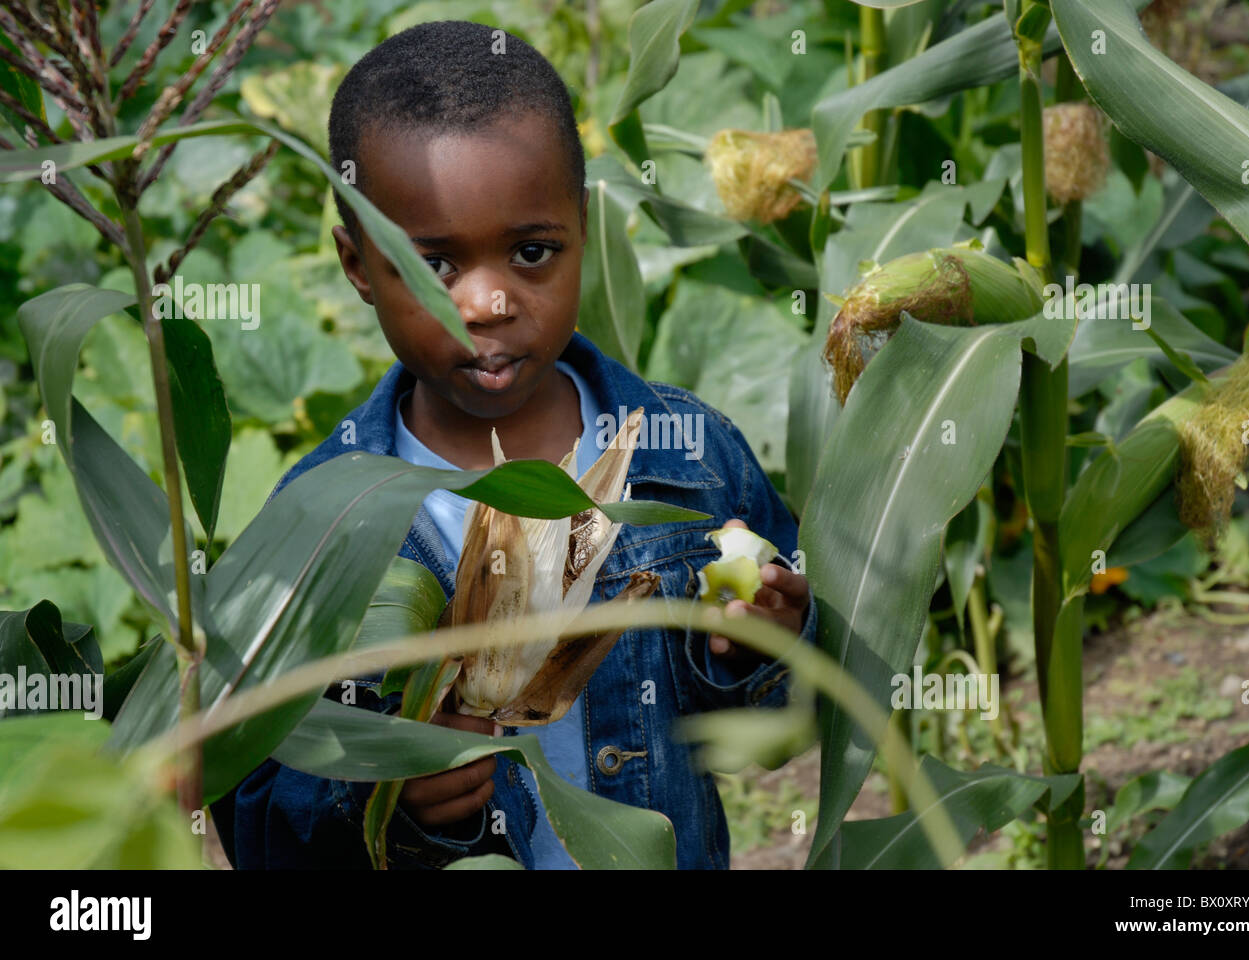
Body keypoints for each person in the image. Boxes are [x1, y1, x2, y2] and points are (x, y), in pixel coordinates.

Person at [210, 19, 816, 870]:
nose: (489, 303)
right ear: (357, 264)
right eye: (436, 267)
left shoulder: (690, 461)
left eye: (533, 253)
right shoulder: (318, 535)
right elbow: (261, 821)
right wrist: (394, 794)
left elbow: (784, 715)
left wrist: (765, 645)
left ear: (584, 230)